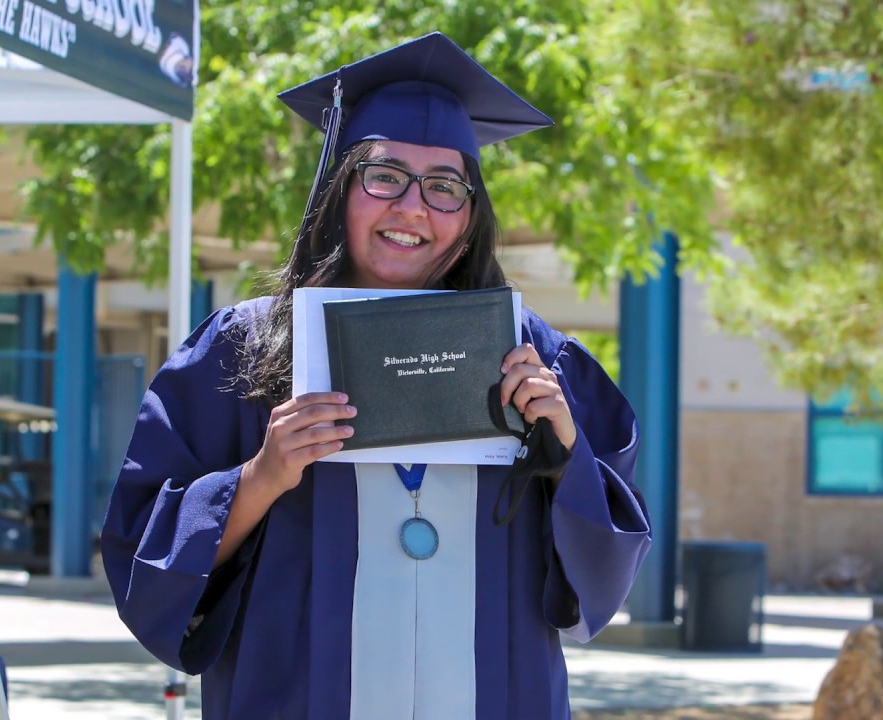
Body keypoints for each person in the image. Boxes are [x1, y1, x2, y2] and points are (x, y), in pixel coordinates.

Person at [101, 32, 652, 720]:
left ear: (472, 215)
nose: (413, 208)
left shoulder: (537, 358)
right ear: (340, 189)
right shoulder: (242, 351)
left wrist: (567, 455)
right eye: (385, 176)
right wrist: (261, 477)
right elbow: (143, 555)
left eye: (445, 187)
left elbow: (604, 571)